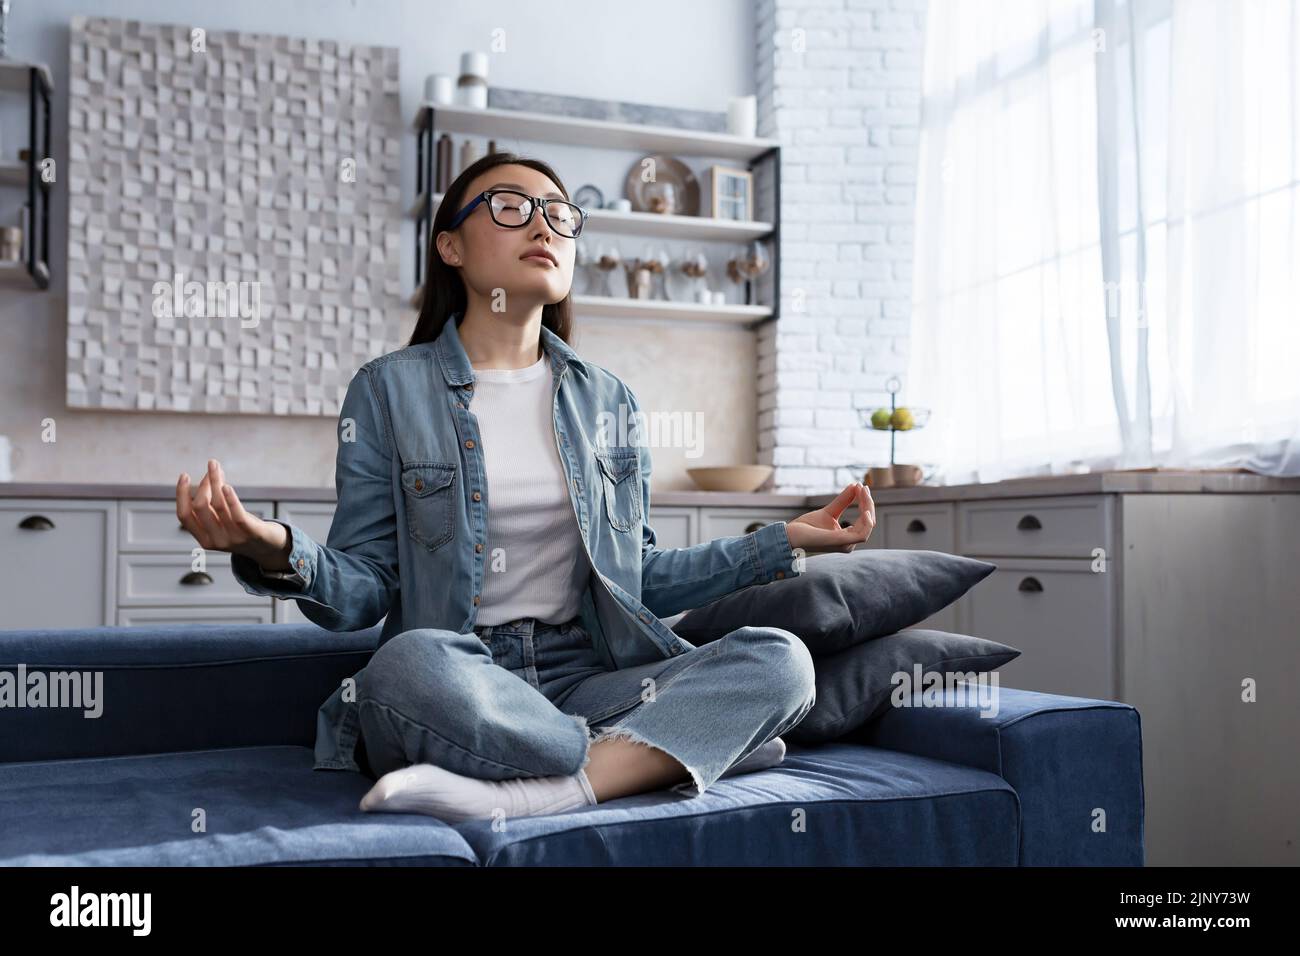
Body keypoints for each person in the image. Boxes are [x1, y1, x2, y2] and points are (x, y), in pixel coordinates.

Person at [175, 152, 876, 824]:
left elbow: (638, 580)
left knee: (782, 663)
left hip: (585, 674)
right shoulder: (387, 390)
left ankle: (542, 791)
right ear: (450, 246)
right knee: (403, 666)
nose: (544, 226)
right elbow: (364, 591)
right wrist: (273, 549)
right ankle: (665, 750)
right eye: (511, 207)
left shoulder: (610, 402)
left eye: (560, 214)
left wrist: (783, 542)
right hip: (462, 673)